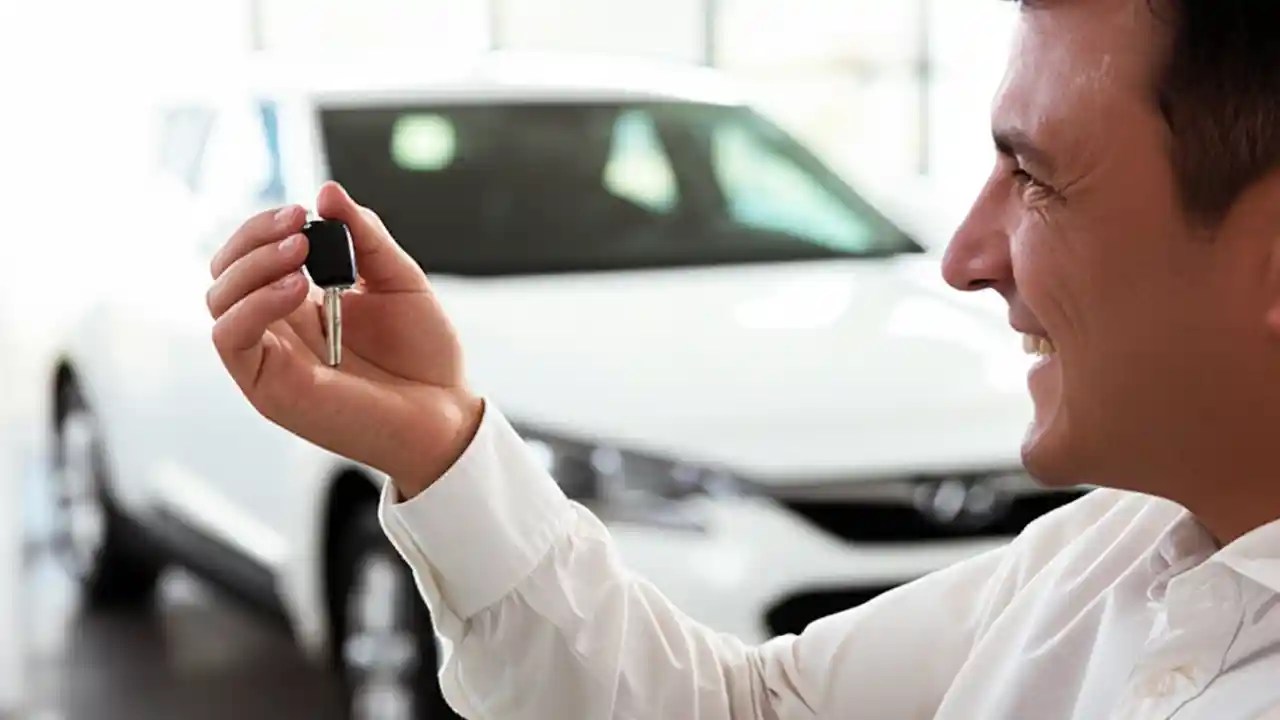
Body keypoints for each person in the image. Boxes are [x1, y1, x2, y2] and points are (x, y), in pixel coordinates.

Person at [203, 0, 1280, 717]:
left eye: (1035, 179)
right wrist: (442, 445)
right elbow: (749, 709)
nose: (961, 258)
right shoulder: (1105, 553)